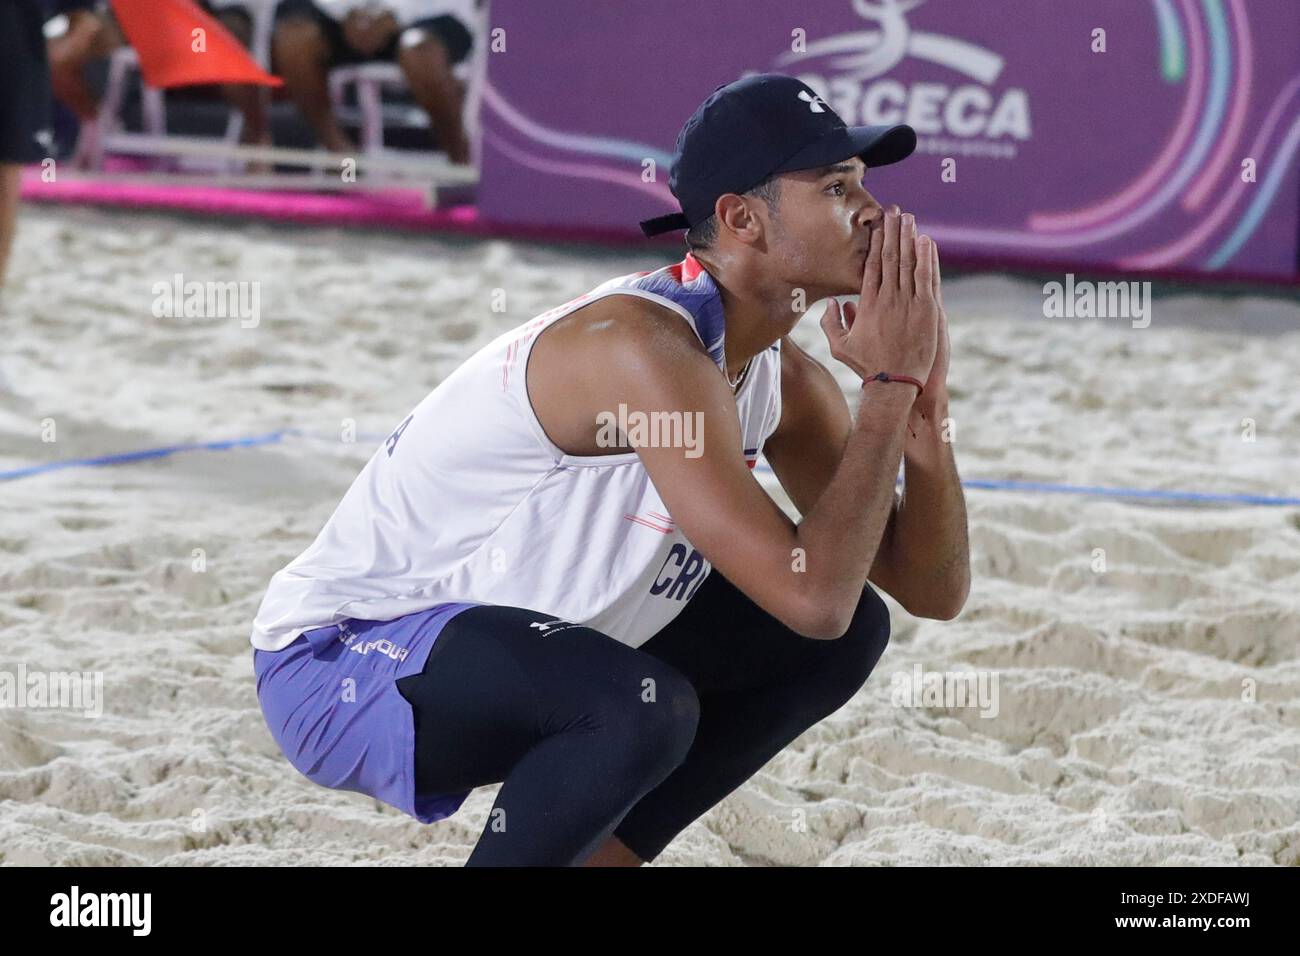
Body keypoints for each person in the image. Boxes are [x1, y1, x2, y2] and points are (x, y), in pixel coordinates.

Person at [250, 73, 970, 867]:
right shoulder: (642, 348)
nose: (872, 210)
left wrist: (921, 408)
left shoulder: (782, 377)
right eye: (837, 187)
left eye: (864, 183)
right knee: (641, 706)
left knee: (840, 640)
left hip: (519, 648)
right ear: (741, 220)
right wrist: (884, 389)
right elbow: (813, 593)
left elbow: (926, 589)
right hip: (341, 663)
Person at [45, 0, 272, 168]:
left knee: (231, 46)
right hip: (141, 12)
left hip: (211, 16)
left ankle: (257, 137)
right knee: (54, 54)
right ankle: (95, 123)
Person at [272, 0, 475, 162]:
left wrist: (395, 13)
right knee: (294, 37)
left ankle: (461, 162)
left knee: (419, 49)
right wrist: (349, 10)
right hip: (343, 16)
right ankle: (341, 158)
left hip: (430, 13)